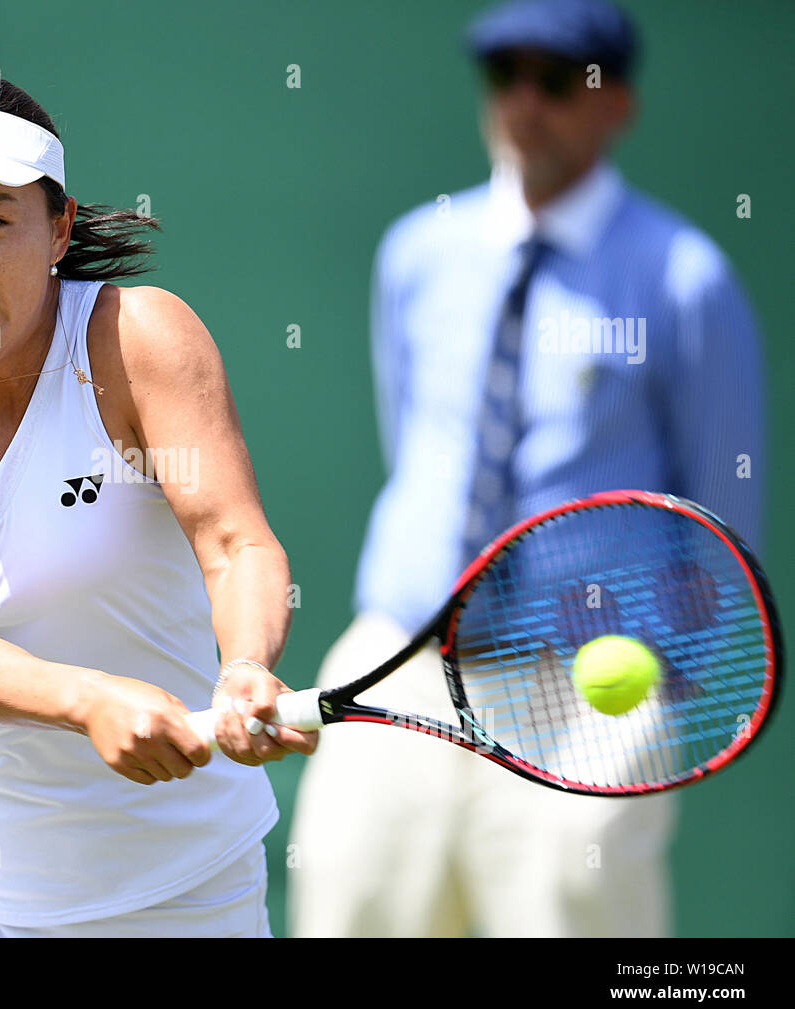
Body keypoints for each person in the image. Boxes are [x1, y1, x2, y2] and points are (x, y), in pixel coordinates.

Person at [289, 0, 765, 938]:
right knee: (352, 906)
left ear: (616, 101)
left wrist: (665, 682)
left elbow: (725, 512)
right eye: (507, 77)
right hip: (406, 655)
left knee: (573, 917)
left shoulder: (684, 276)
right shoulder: (417, 253)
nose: (526, 103)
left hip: (593, 680)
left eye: (558, 80)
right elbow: (412, 437)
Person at [0, 73, 318, 938]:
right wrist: (89, 700)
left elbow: (235, 542)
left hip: (182, 891)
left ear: (59, 227)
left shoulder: (139, 339)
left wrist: (243, 665)